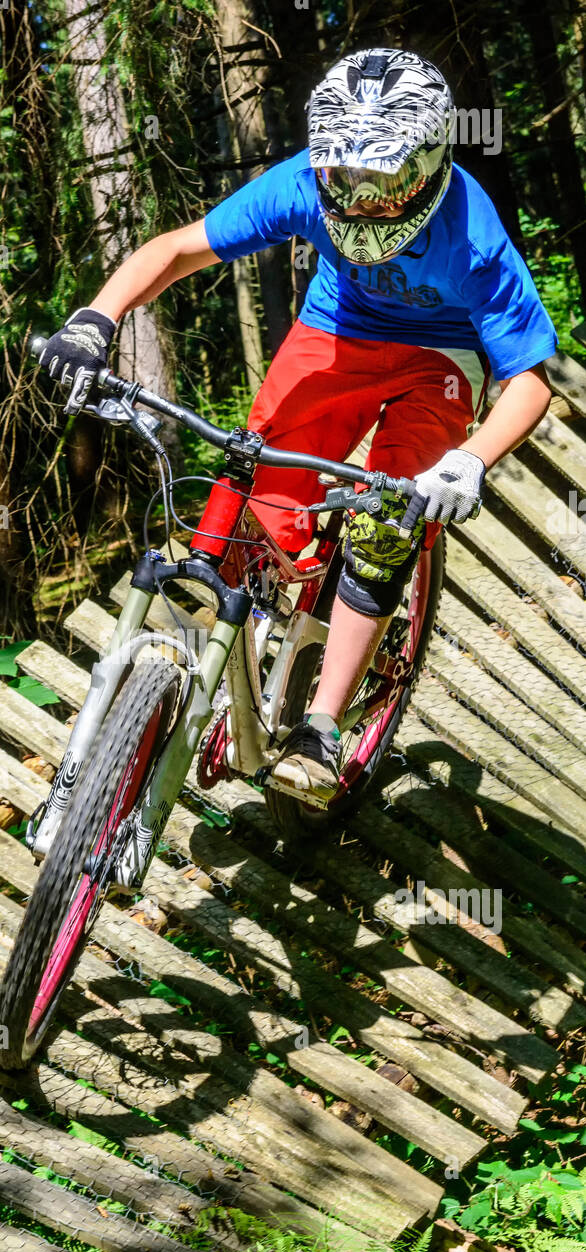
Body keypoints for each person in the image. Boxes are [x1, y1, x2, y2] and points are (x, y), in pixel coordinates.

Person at [37, 47, 556, 798]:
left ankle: (322, 725)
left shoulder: (472, 236)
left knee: (386, 520)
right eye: (345, 175)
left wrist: (469, 460)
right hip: (336, 330)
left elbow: (530, 382)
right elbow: (182, 249)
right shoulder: (304, 185)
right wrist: (97, 317)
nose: (360, 196)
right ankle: (240, 647)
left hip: (444, 354)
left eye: (383, 177)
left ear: (431, 160)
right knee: (254, 485)